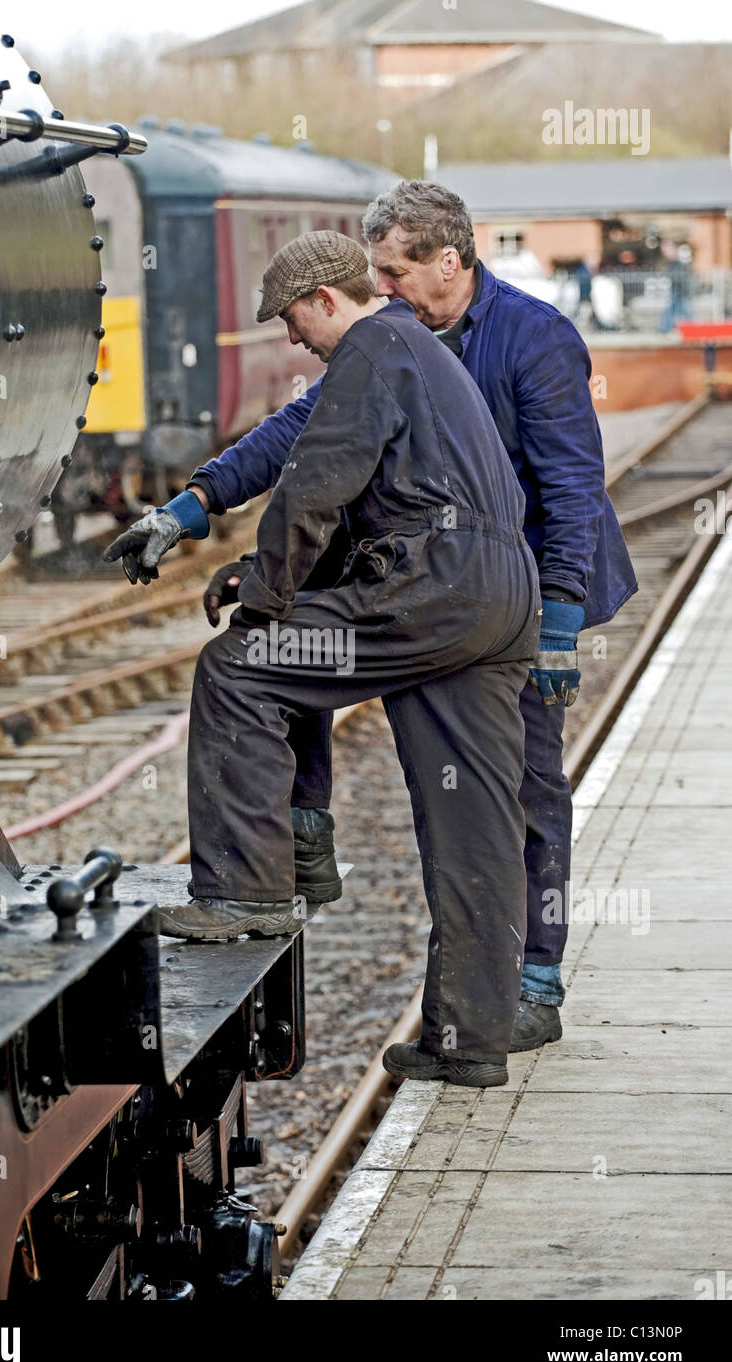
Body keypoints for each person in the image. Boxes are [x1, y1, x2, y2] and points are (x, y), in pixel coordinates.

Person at [182, 182, 637, 1054]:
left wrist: (558, 619)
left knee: (526, 788)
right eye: (374, 273)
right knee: (459, 802)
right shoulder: (398, 339)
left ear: (449, 261)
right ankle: (470, 1029)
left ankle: (533, 979)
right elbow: (297, 433)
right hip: (470, 591)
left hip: (523, 586)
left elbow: (572, 488)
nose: (383, 287)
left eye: (394, 272)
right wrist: (196, 500)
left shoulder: (530, 336)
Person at [105, 230, 541, 1087]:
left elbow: (316, 481)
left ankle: (245, 892)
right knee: (476, 827)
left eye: (292, 322)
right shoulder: (416, 351)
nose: (291, 341)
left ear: (323, 300)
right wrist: (220, 534)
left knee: (238, 667)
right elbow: (321, 461)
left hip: (432, 592)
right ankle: (468, 1041)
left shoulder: (371, 347)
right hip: (495, 598)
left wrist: (264, 597)